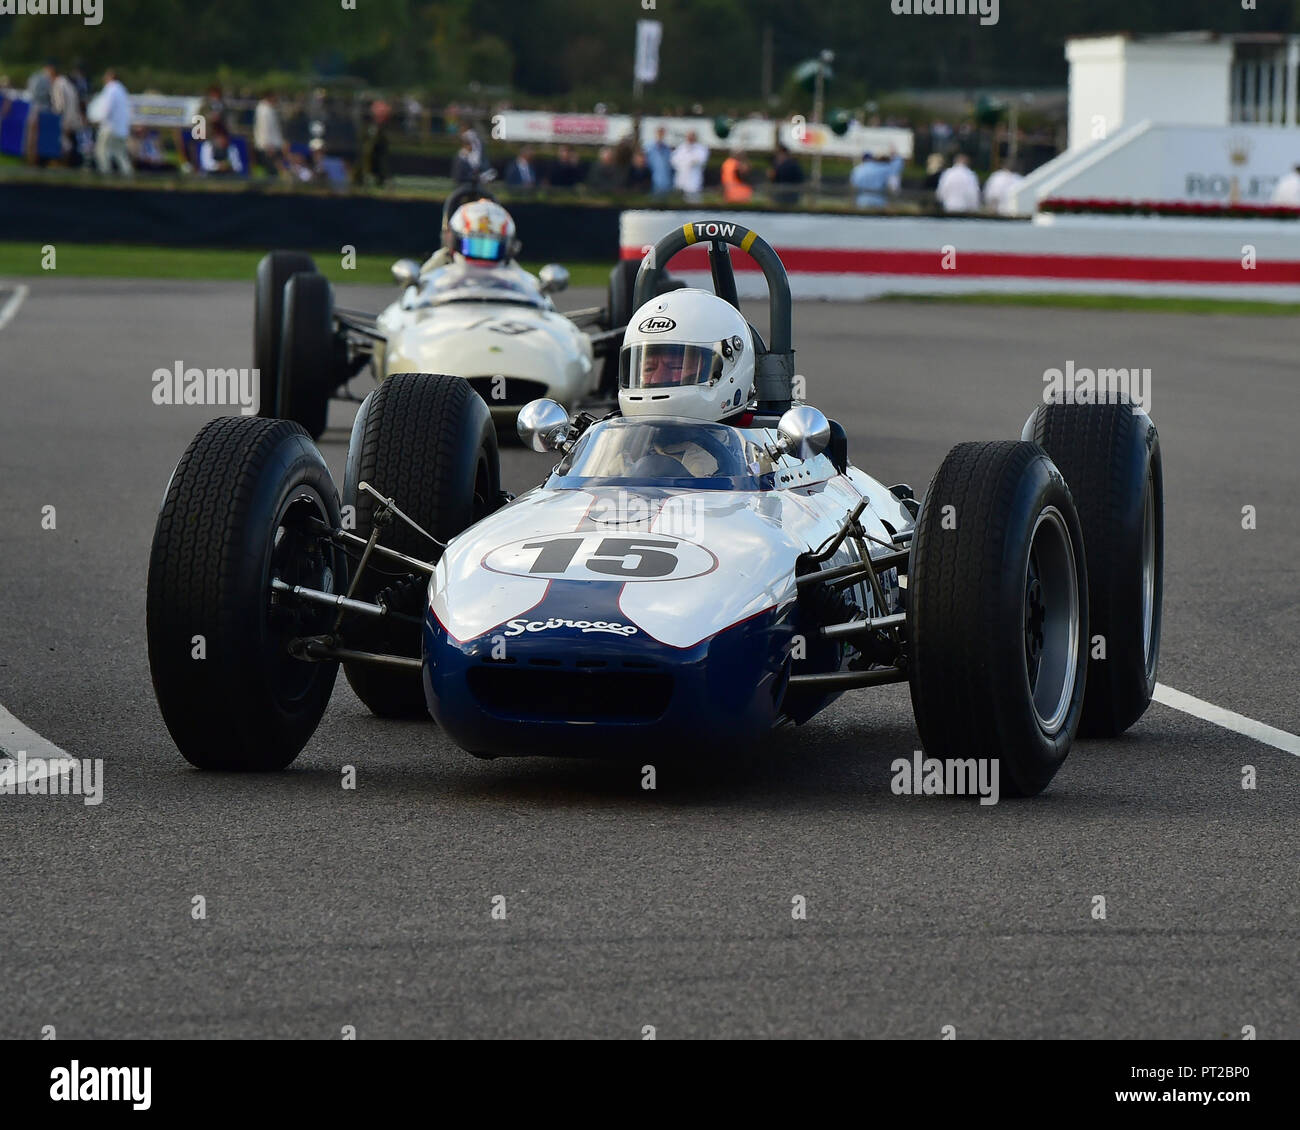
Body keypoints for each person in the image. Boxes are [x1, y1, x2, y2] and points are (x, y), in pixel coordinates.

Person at [618, 288, 755, 425]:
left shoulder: (758, 443)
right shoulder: (612, 441)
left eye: (676, 366)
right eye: (648, 368)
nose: (657, 378)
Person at [420, 198, 520, 276]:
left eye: (490, 248)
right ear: (454, 242)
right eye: (474, 246)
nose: (481, 260)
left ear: (508, 249)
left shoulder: (516, 276)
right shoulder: (439, 265)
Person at [90, 68, 132, 176]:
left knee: (101, 151)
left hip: (110, 127)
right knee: (120, 153)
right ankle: (128, 175)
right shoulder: (122, 89)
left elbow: (107, 108)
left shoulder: (111, 89)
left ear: (110, 77)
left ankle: (106, 175)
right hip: (121, 128)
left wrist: (98, 119)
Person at [50, 62, 84, 168]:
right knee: (72, 145)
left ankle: (64, 166)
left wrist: (56, 122)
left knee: (65, 146)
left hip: (65, 121)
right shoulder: (68, 83)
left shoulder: (58, 84)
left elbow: (59, 107)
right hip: (73, 120)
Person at [23, 61, 55, 165]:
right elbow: (36, 93)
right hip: (39, 109)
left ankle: (32, 161)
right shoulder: (43, 78)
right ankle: (32, 161)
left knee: (34, 137)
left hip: (35, 108)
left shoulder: (37, 77)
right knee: (34, 137)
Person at [253, 91, 288, 177]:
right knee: (272, 171)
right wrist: (268, 146)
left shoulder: (269, 109)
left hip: (272, 146)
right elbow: (263, 129)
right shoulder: (264, 110)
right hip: (269, 147)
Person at [671, 130, 709, 201]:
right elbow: (674, 161)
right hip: (681, 182)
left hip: (694, 183)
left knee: (694, 202)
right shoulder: (681, 148)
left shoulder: (701, 149)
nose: (690, 138)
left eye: (692, 136)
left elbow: (699, 160)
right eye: (689, 136)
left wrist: (687, 161)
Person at [646, 125, 673, 195]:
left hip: (666, 184)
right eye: (659, 132)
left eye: (662, 133)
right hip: (652, 184)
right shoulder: (648, 148)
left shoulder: (667, 149)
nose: (661, 135)